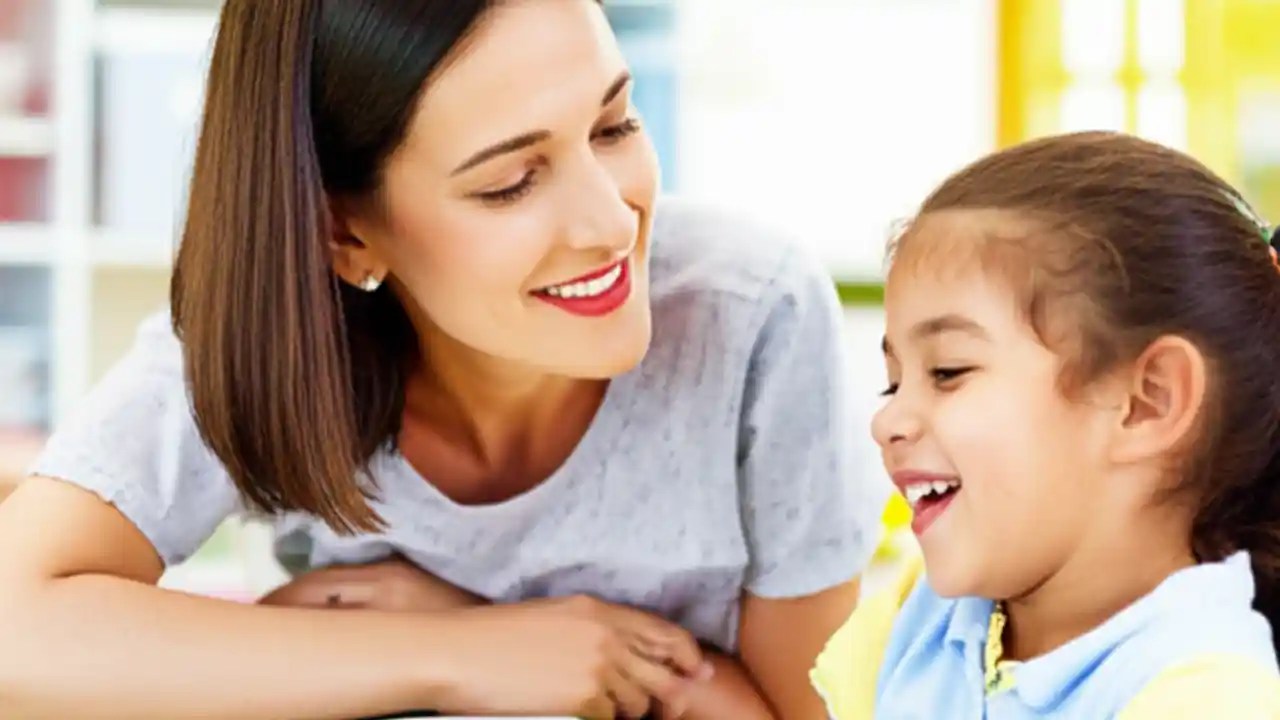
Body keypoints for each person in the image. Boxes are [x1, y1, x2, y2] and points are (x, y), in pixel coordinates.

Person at [0, 1, 883, 719]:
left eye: (614, 124)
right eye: (511, 182)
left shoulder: (752, 309)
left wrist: (498, 631)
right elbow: (15, 631)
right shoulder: (267, 345)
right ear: (343, 233)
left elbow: (807, 714)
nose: (614, 222)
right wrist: (460, 653)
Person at [812, 132, 1280, 719]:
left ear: (1147, 402)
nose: (887, 420)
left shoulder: (1208, 694)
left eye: (948, 371)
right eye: (893, 381)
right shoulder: (915, 615)